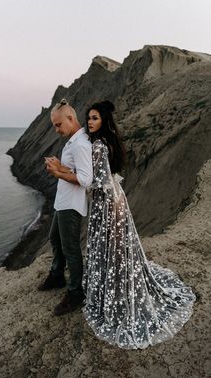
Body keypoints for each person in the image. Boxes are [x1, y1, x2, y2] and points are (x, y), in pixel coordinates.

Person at [82, 100, 196, 349]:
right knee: (119, 249)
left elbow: (97, 182)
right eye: (88, 118)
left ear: (103, 122)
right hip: (116, 197)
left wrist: (72, 177)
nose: (90, 122)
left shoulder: (98, 146)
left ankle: (116, 296)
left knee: (112, 249)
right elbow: (110, 177)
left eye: (94, 118)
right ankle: (120, 289)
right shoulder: (106, 143)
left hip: (108, 203)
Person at [38, 99, 93, 317]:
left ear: (70, 118)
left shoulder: (80, 144)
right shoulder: (73, 140)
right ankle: (57, 275)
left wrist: (57, 172)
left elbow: (86, 179)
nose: (56, 129)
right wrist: (59, 166)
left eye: (58, 125)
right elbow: (73, 169)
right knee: (55, 239)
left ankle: (75, 292)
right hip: (63, 202)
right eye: (54, 125)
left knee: (71, 248)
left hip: (71, 205)